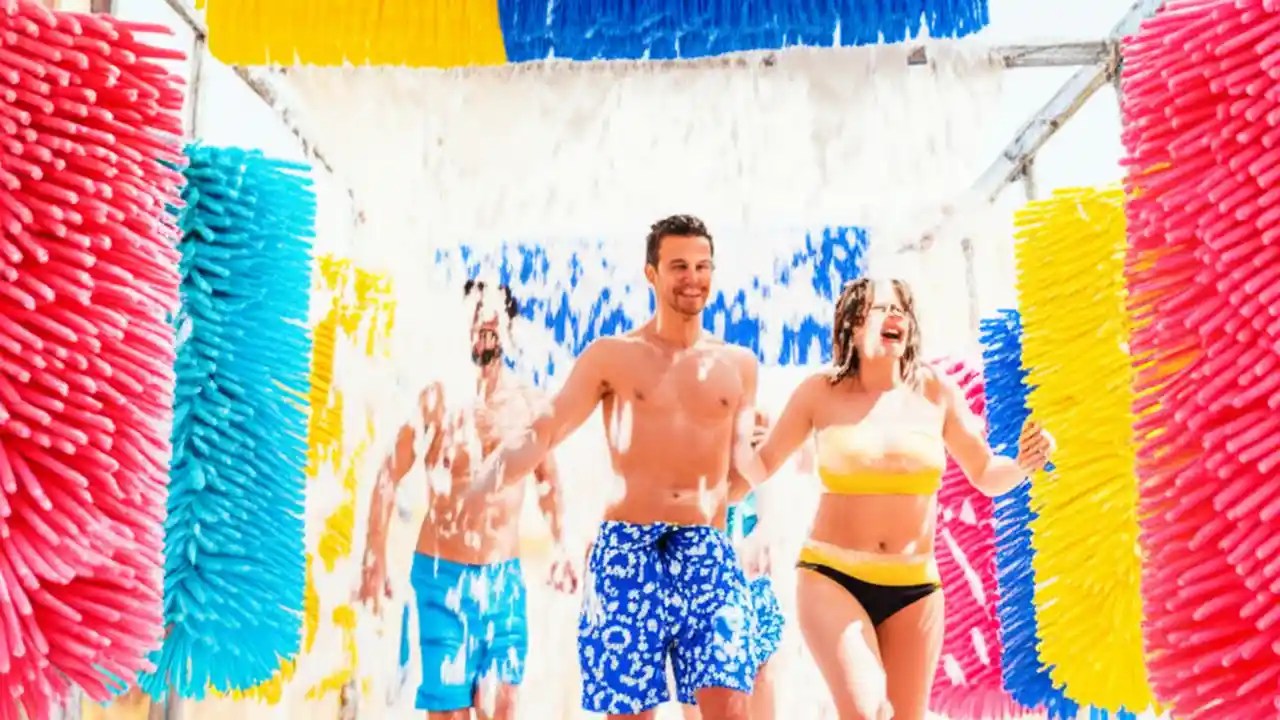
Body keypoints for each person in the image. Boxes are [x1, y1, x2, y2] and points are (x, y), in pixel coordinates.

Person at [470, 214, 766, 720]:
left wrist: (762, 504)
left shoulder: (738, 365)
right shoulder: (613, 356)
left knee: (732, 708)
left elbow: (741, 476)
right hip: (629, 548)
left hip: (706, 548)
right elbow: (547, 428)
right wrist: (481, 485)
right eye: (678, 266)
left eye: (702, 266)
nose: (692, 278)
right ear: (651, 274)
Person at [744, 277, 1053, 720]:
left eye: (902, 309)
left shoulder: (935, 391)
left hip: (916, 589)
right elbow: (761, 465)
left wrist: (1023, 464)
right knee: (868, 712)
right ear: (851, 324)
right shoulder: (820, 391)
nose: (896, 317)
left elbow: (985, 473)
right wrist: (731, 448)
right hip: (833, 577)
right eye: (881, 308)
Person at [358, 280, 576, 720]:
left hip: (503, 581)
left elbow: (549, 482)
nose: (484, 325)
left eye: (493, 318)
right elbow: (387, 474)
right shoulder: (438, 400)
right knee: (450, 713)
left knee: (502, 706)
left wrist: (562, 547)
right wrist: (373, 555)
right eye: (476, 316)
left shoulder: (530, 405)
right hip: (440, 575)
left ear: (509, 328)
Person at [679, 488, 783, 720]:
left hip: (746, 561)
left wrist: (765, 529)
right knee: (697, 676)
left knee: (760, 669)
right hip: (698, 570)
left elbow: (764, 482)